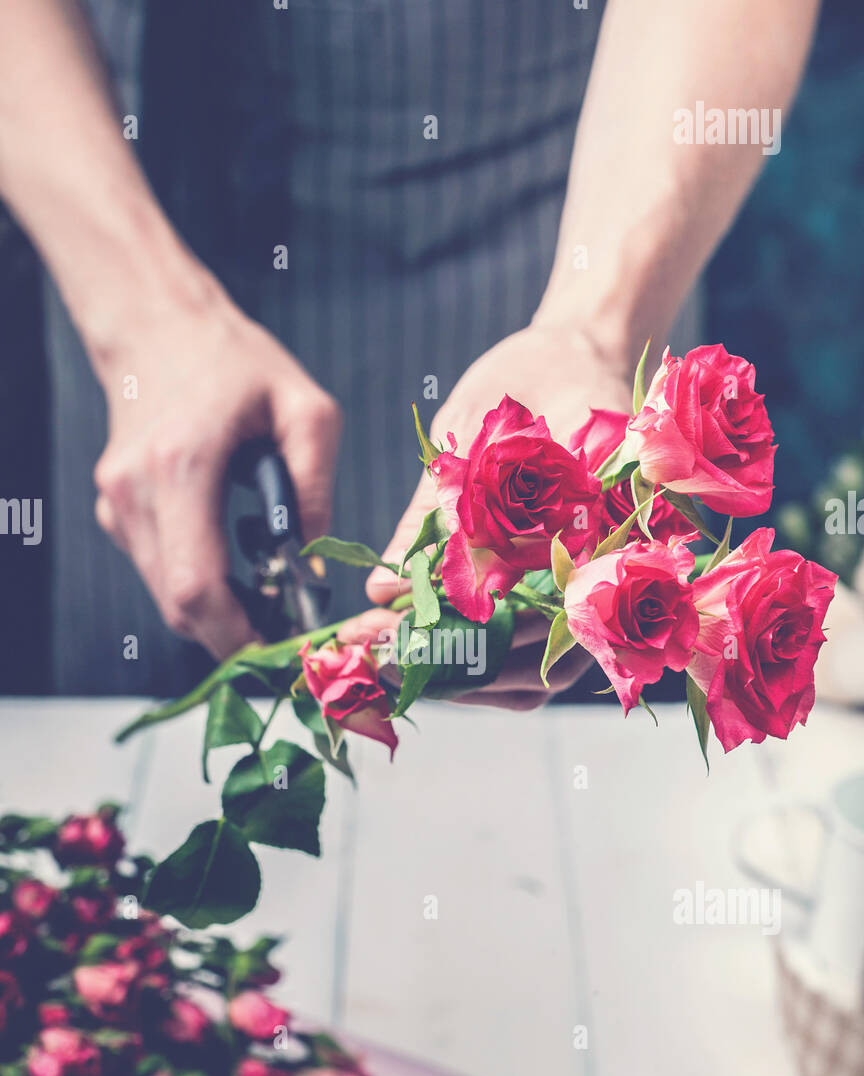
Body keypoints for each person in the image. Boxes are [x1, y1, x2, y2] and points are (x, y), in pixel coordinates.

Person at [0, 0, 819, 702]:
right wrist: (141, 316)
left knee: (546, 778)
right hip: (101, 174)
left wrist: (595, 327)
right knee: (138, 780)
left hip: (551, 206)